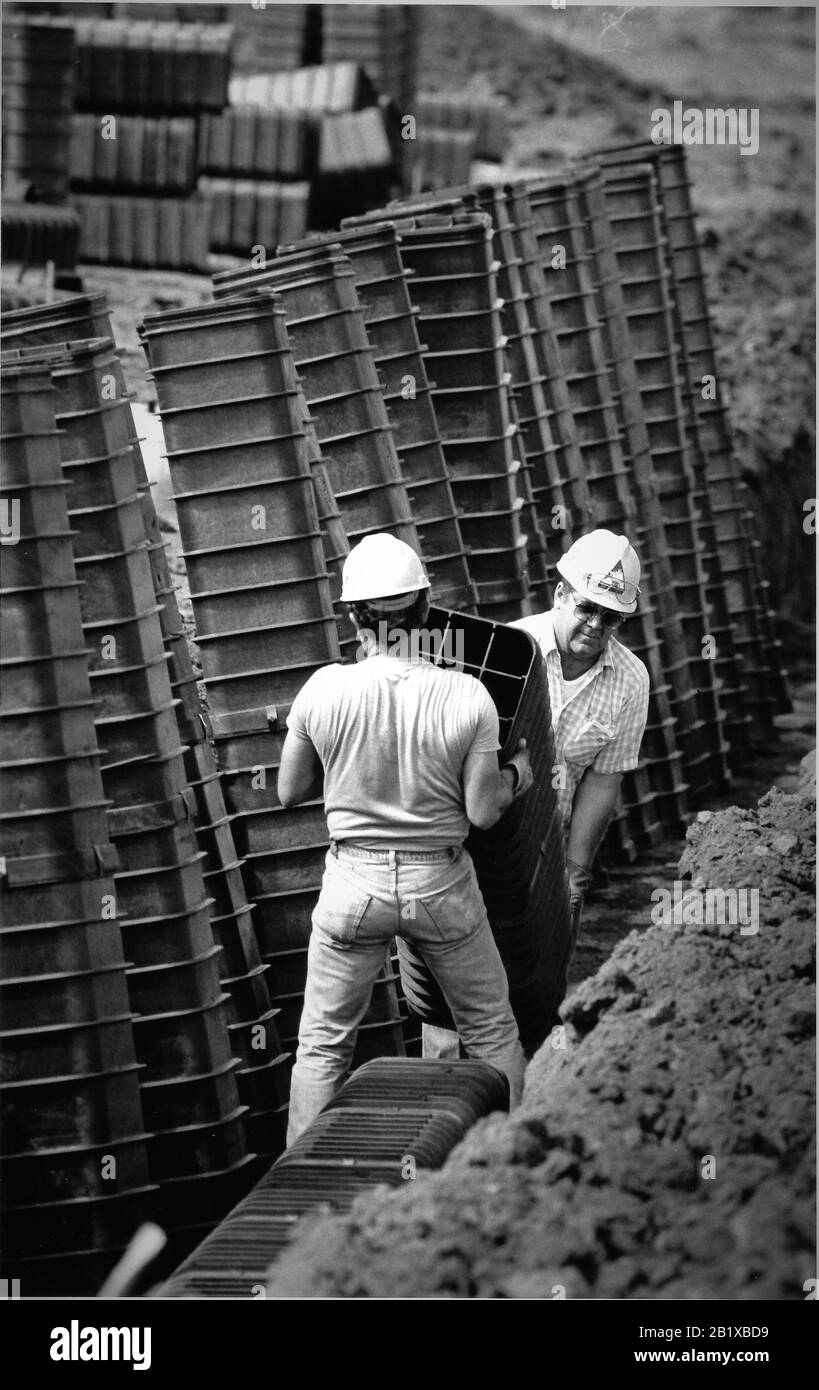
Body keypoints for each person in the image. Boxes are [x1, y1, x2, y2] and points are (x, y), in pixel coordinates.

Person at [277, 532, 533, 1144]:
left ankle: (298, 1188)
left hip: (353, 884)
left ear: (353, 615)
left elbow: (288, 791)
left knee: (320, 1047)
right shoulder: (468, 697)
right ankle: (521, 1157)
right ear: (426, 609)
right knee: (493, 1029)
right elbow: (484, 811)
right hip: (439, 882)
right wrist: (519, 772)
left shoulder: (323, 689)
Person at [511, 528, 650, 948]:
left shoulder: (630, 680)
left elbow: (603, 779)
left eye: (610, 618)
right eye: (587, 609)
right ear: (560, 594)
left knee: (542, 975)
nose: (595, 625)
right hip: (486, 835)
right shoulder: (513, 649)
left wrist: (576, 873)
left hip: (551, 846)